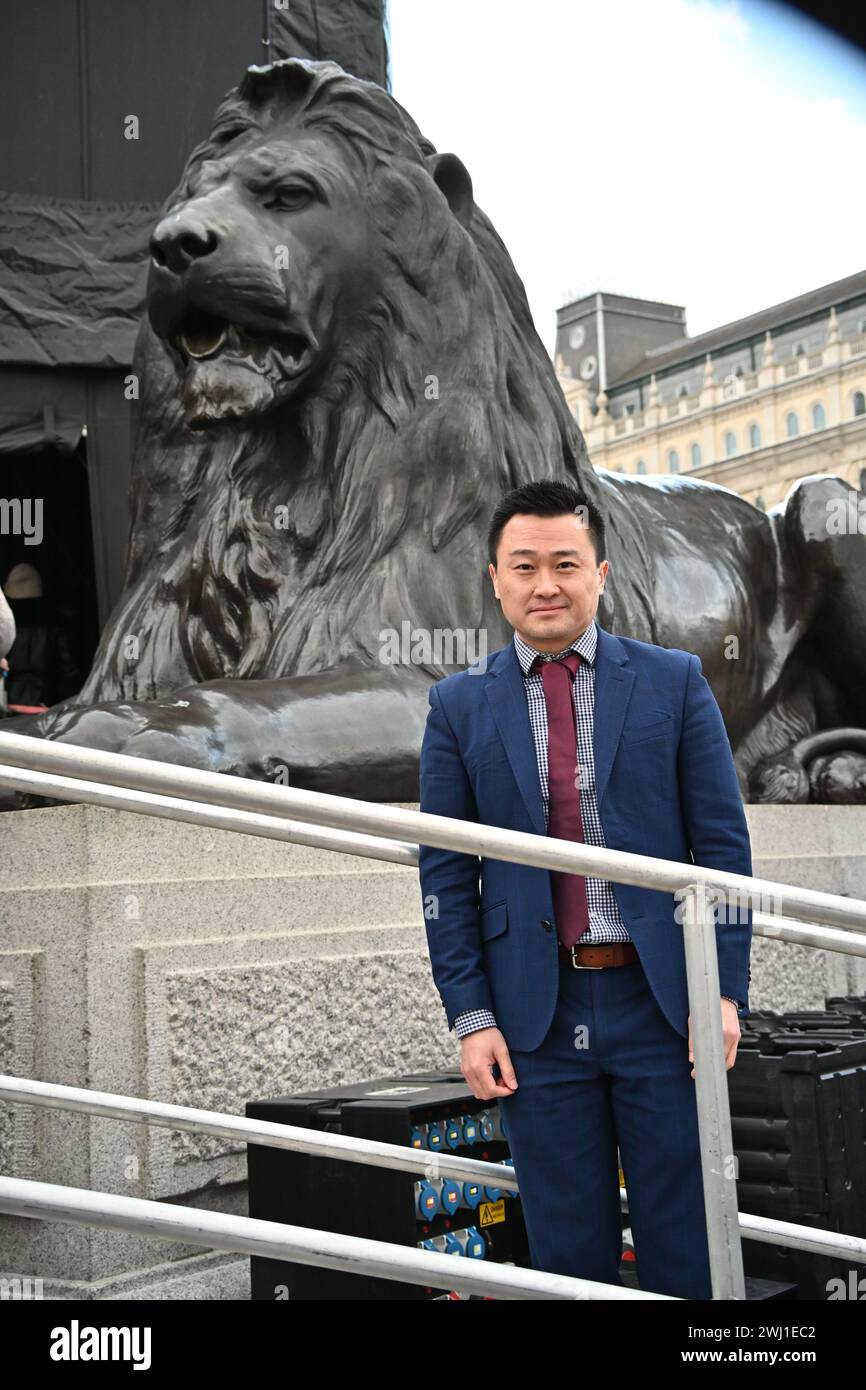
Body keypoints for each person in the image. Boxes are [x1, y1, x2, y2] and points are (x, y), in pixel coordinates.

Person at [418, 479, 752, 1299]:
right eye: (524, 566)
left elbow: (724, 851)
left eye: (565, 564)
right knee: (569, 1252)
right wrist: (472, 1016)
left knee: (686, 1242)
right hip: (535, 1013)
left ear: (600, 573)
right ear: (495, 579)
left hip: (663, 1002)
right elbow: (447, 872)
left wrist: (725, 992)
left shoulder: (674, 682)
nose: (546, 585)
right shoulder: (458, 706)